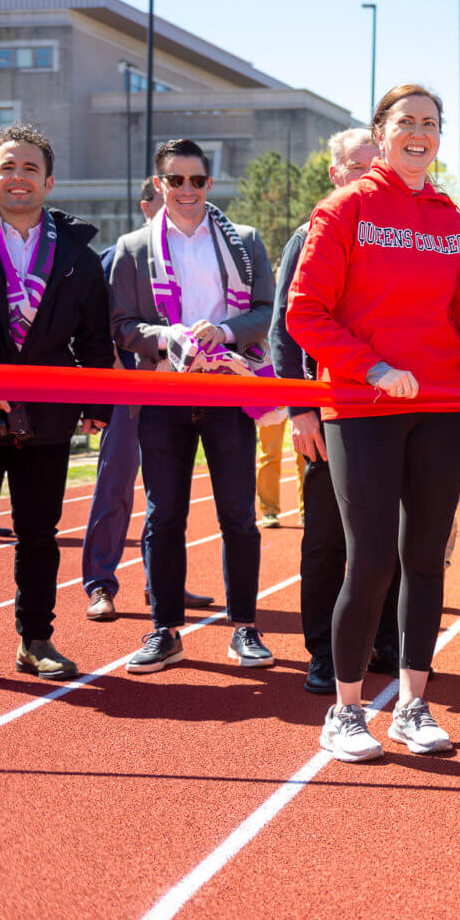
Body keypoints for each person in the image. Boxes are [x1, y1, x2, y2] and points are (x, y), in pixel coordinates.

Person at [289, 84, 460, 762]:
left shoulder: (453, 224)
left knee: (425, 560)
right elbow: (305, 313)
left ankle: (411, 705)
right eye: (406, 121)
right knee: (371, 560)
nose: (419, 133)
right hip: (362, 407)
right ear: (382, 132)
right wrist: (373, 368)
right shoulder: (344, 209)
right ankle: (346, 711)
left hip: (438, 407)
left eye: (431, 123)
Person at [0, 123, 114, 690]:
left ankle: (35, 642)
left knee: (39, 534)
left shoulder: (78, 256)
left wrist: (99, 403)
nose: (19, 177)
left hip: (46, 413)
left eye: (30, 168)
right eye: (8, 167)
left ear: (49, 182)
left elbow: (94, 336)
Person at [110, 137, 277, 675]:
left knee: (238, 515)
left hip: (228, 393)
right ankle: (164, 630)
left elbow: (266, 311)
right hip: (164, 395)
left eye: (197, 180)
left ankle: (244, 627)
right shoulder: (133, 247)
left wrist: (223, 332)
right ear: (159, 185)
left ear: (209, 183)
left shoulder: (244, 241)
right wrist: (169, 337)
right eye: (176, 180)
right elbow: (122, 326)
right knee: (164, 516)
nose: (187, 189)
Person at [271, 126, 400, 694]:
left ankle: (386, 641)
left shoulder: (400, 235)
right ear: (335, 174)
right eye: (357, 167)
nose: (369, 177)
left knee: (391, 534)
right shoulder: (311, 234)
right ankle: (323, 651)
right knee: (327, 535)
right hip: (329, 413)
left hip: (394, 412)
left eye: (377, 166)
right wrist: (301, 410)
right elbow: (284, 331)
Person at [82, 178, 212, 620]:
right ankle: (100, 585)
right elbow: (95, 325)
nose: (180, 198)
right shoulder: (121, 253)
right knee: (115, 486)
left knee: (169, 494)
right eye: (168, 191)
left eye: (191, 188)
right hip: (131, 390)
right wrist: (114, 375)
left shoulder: (197, 255)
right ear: (146, 204)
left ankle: (162, 582)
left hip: (178, 392)